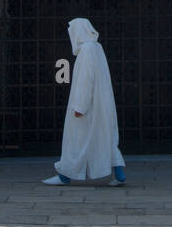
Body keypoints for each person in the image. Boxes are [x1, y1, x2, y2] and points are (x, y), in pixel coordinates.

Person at [43, 17, 127, 187]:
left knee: (76, 141)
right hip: (101, 105)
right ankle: (119, 174)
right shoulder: (96, 48)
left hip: (87, 106)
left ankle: (65, 176)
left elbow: (85, 80)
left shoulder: (87, 51)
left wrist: (80, 106)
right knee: (105, 138)